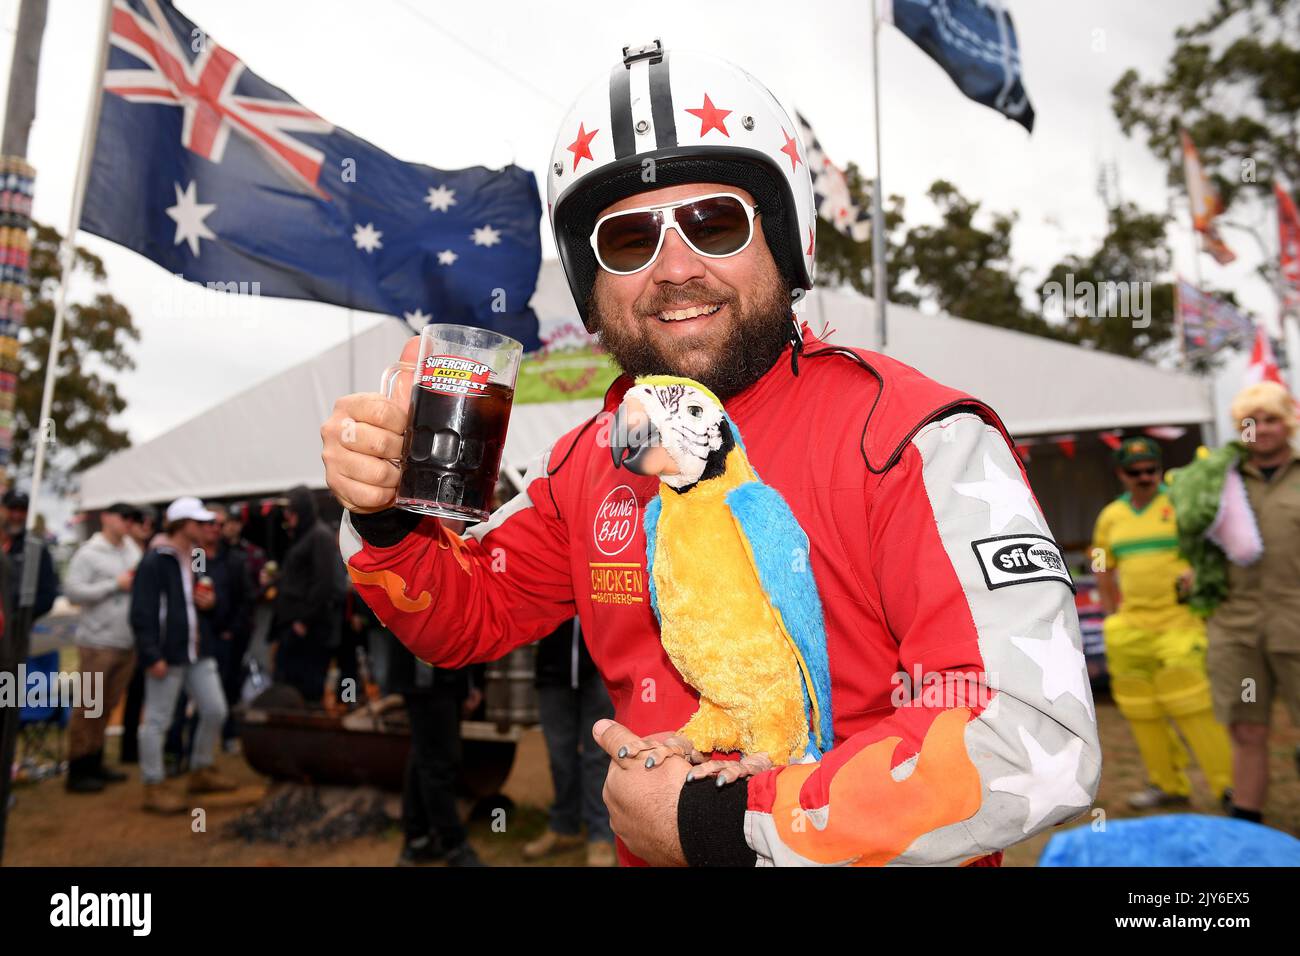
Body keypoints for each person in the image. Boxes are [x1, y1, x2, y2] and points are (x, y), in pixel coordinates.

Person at [322, 43, 1100, 867]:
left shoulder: (916, 439)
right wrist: (383, 515)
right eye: (627, 240)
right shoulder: (591, 463)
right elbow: (462, 616)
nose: (677, 269)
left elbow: (1030, 737)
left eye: (715, 222)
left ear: (786, 237)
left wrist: (727, 827)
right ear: (592, 282)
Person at [1091, 438, 1231, 811]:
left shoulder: (1182, 505)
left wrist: (1196, 571)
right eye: (1135, 472)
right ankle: (1166, 784)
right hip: (1131, 625)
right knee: (1141, 707)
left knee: (1191, 701)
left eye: (1151, 470)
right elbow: (1102, 562)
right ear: (1121, 474)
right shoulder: (1111, 517)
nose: (1145, 477)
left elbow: (1214, 549)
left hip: (1180, 621)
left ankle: (1228, 787)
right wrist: (1111, 612)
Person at [1203, 382, 1300, 824]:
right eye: (1250, 422)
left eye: (1271, 419)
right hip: (1236, 626)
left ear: (1289, 423)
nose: (1261, 429)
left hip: (1295, 622)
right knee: (1246, 726)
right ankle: (1247, 822)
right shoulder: (1215, 481)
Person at [131, 496, 236, 813]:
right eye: (201, 522)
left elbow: (202, 594)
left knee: (215, 709)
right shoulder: (154, 560)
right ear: (184, 525)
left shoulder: (197, 556)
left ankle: (201, 770)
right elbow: (142, 612)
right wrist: (151, 654)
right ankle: (153, 785)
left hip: (197, 649)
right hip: (168, 651)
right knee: (157, 721)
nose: (208, 527)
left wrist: (209, 603)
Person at [63, 502, 143, 793]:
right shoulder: (89, 553)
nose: (128, 522)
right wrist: (114, 585)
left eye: (131, 518)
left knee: (107, 705)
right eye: (124, 517)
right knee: (88, 707)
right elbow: (72, 592)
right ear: (106, 518)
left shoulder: (132, 550)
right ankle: (78, 768)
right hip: (97, 643)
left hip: (125, 641)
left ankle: (95, 761)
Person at [523, 619, 616, 866]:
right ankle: (564, 827)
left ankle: (601, 835)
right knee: (559, 756)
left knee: (597, 756)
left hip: (600, 670)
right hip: (552, 670)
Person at [270, 486, 345, 705]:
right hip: (296, 626)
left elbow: (324, 583)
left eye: (291, 509)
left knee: (307, 689)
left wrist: (304, 620)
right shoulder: (303, 536)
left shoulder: (319, 536)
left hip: (309, 629)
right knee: (287, 686)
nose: (287, 515)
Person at [117, 505, 157, 765]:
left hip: (144, 636)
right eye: (141, 521)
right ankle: (86, 760)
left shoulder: (154, 552)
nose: (146, 526)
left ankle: (131, 750)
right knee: (97, 701)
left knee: (140, 693)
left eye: (151, 522)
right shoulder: (116, 552)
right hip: (109, 638)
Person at [1, 489, 60, 624]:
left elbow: (48, 594)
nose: (16, 515)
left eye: (22, 510)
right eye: (12, 509)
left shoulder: (36, 548)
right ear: (2, 509)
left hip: (16, 632)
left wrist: (19, 615)